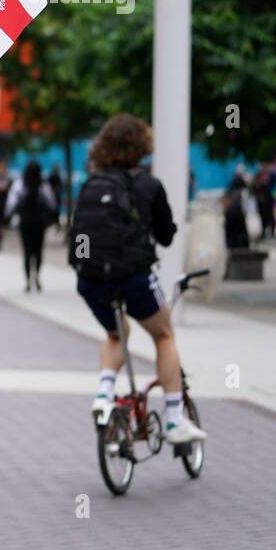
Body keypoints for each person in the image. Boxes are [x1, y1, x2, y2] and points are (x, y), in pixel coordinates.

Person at [69, 114, 206, 444]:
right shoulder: (148, 184)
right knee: (164, 336)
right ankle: (174, 420)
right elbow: (167, 234)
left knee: (117, 334)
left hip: (90, 280)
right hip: (132, 276)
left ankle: (103, 396)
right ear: (142, 146)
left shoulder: (92, 183)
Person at [5, 159, 58, 292]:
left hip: (25, 223)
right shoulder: (42, 185)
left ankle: (28, 279)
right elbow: (52, 203)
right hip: (39, 223)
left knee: (27, 252)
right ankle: (37, 276)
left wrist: (7, 217)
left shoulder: (20, 185)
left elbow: (11, 203)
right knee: (38, 251)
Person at [252, 162, 276, 241]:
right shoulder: (257, 175)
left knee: (270, 216)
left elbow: (271, 186)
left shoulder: (271, 175)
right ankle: (263, 231)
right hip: (260, 199)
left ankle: (272, 232)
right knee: (262, 216)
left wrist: (263, 183)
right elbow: (254, 186)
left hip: (268, 199)